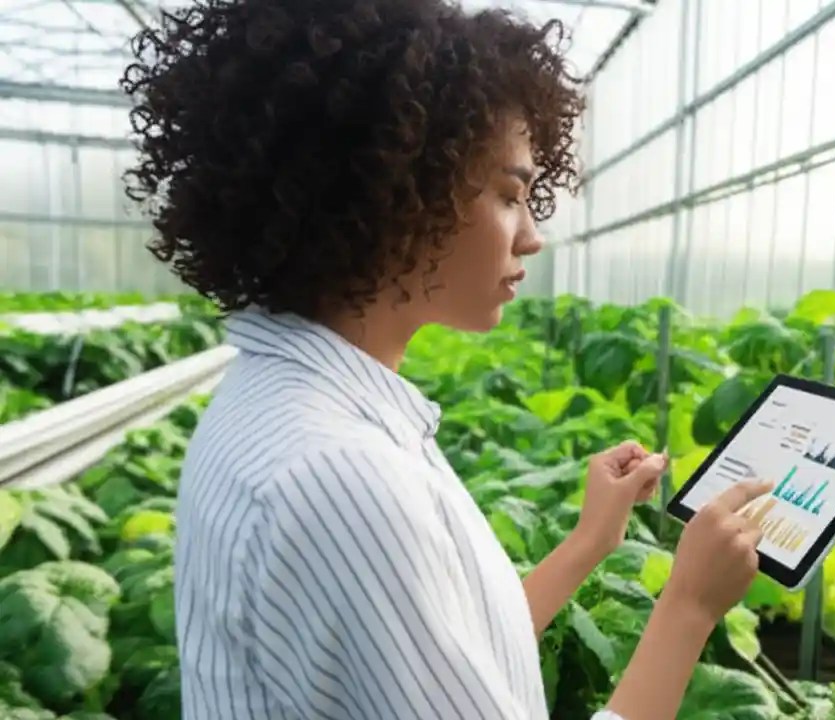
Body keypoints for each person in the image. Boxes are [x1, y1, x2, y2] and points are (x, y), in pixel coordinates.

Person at [120, 0, 771, 718]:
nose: (531, 237)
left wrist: (590, 542)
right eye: (508, 195)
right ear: (397, 193)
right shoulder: (343, 477)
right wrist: (690, 605)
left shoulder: (285, 405)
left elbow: (440, 669)